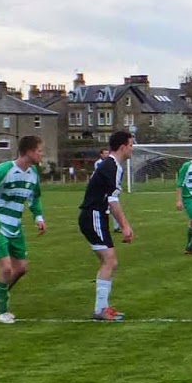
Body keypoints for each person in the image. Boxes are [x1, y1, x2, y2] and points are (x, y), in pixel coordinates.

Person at [0, 134, 46, 324]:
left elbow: (35, 196)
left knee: (21, 268)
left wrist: (38, 216)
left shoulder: (33, 173)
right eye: (39, 151)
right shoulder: (4, 169)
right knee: (6, 268)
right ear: (29, 152)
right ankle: (2, 311)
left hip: (16, 227)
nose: (42, 154)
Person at [79, 130, 136, 321]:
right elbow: (112, 200)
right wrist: (125, 226)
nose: (132, 149)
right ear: (122, 147)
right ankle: (100, 310)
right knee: (109, 261)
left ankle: (103, 307)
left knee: (110, 262)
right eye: (131, 145)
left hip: (97, 216)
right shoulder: (112, 166)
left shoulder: (112, 165)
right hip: (94, 215)